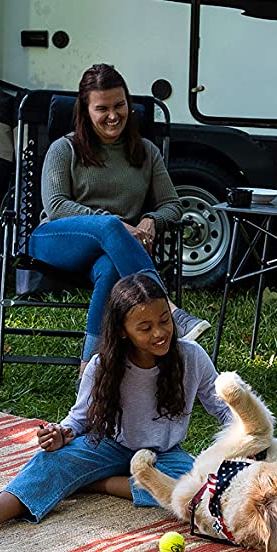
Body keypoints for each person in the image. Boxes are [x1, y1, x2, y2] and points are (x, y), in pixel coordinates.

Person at [0, 273, 223, 544]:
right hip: (108, 445)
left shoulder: (191, 356)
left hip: (163, 453)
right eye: (145, 327)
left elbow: (224, 407)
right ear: (122, 331)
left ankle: (97, 483)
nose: (159, 333)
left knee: (192, 490)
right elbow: (79, 418)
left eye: (164, 321)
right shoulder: (102, 366)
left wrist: (252, 445)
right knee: (50, 463)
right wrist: (61, 434)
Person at [31, 64, 185, 344]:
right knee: (110, 226)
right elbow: (56, 206)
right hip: (56, 242)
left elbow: (172, 205)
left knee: (113, 269)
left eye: (120, 105)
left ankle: (88, 370)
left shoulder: (146, 152)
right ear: (85, 110)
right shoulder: (64, 149)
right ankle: (168, 311)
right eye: (102, 108)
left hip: (115, 250)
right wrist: (119, 226)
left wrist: (150, 219)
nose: (113, 116)